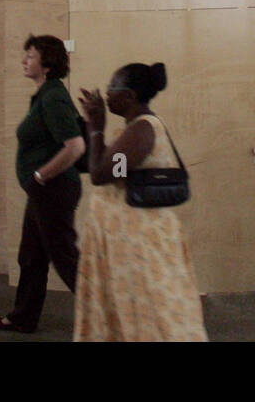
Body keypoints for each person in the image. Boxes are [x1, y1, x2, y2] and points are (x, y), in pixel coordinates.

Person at [74, 62, 207, 341]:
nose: (107, 95)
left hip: (139, 243)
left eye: (112, 89)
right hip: (130, 240)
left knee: (148, 311)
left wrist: (96, 127)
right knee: (132, 309)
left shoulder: (142, 130)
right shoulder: (135, 128)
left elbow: (100, 174)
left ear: (130, 96)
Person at [0, 34, 85, 334]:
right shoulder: (45, 95)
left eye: (30, 55)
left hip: (53, 190)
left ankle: (117, 318)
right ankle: (23, 317)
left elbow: (75, 147)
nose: (24, 60)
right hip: (43, 191)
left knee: (66, 259)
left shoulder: (54, 97)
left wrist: (40, 176)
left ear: (46, 64)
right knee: (31, 257)